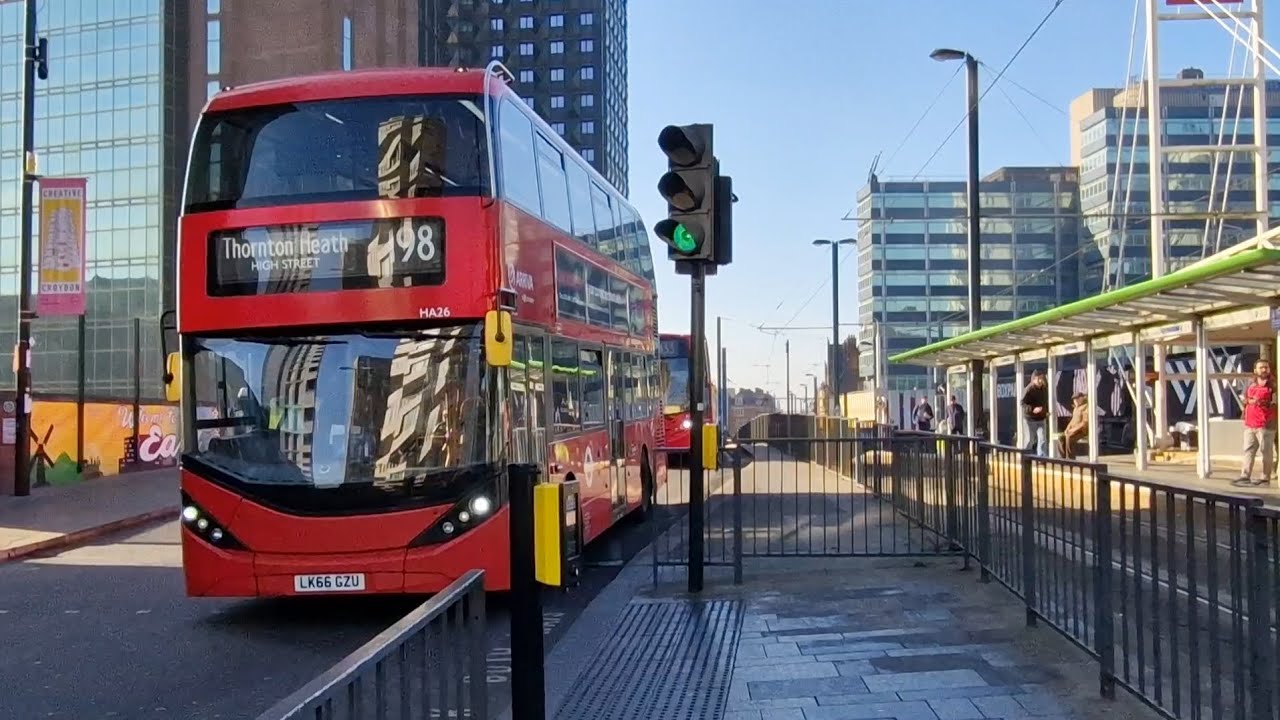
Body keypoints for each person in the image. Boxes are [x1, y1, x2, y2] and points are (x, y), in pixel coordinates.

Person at [1234, 359, 1276, 487]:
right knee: (1248, 450)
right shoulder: (1250, 384)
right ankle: (1245, 476)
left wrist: (1264, 402)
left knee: (1266, 451)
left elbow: (1275, 401)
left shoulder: (1273, 385)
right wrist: (1250, 401)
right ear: (1255, 370)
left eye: (1266, 367)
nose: (1264, 370)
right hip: (1250, 423)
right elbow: (1243, 398)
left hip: (1266, 424)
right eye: (1261, 367)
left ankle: (1265, 478)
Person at [1021, 369, 1050, 456]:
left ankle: (1042, 458)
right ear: (1033, 379)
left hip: (1041, 418)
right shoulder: (1029, 389)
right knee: (1030, 439)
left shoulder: (1044, 389)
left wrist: (1046, 411)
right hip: (1029, 419)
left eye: (1042, 378)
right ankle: (1025, 457)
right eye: (1038, 379)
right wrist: (1032, 409)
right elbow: (1022, 403)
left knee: (1043, 439)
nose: (1041, 381)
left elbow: (1046, 402)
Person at [1061, 392, 1090, 459]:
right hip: (1073, 430)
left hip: (1082, 431)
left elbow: (1084, 422)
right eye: (1074, 399)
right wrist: (1067, 429)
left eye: (1077, 399)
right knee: (1061, 438)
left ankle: (1070, 458)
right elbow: (1072, 420)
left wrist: (1074, 429)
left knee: (1069, 437)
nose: (1075, 401)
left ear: (1082, 398)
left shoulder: (1086, 407)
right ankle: (1063, 457)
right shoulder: (1075, 408)